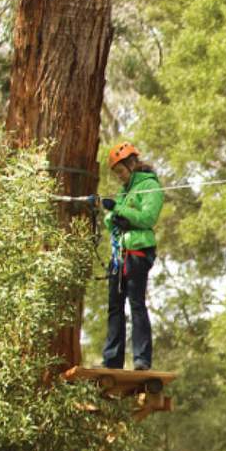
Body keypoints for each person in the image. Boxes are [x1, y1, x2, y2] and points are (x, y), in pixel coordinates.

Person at [100, 142, 163, 371]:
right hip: (119, 253)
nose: (119, 177)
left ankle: (141, 359)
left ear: (132, 164)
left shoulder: (149, 186)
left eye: (121, 171)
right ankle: (112, 359)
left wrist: (119, 210)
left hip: (138, 252)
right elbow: (112, 219)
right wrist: (114, 216)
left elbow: (147, 218)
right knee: (115, 306)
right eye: (116, 173)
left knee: (136, 303)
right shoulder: (124, 191)